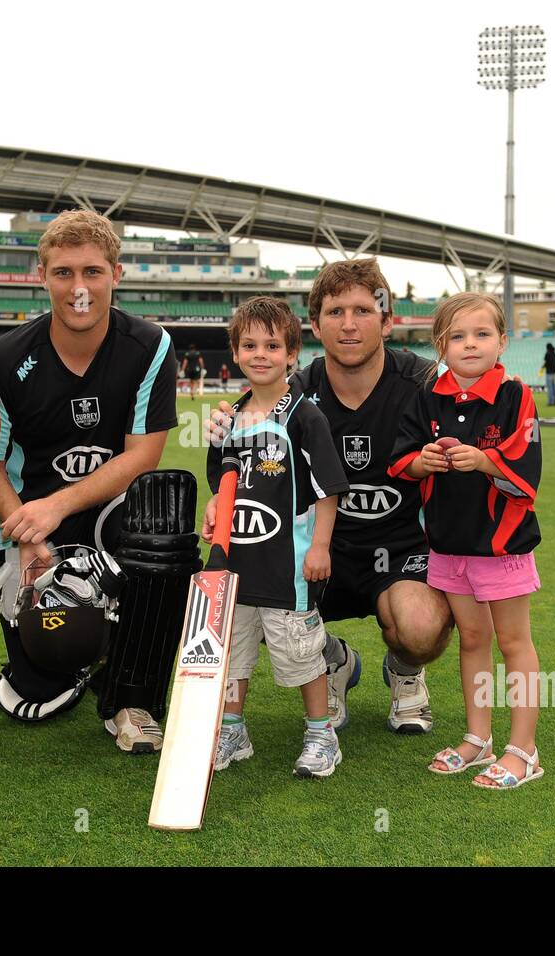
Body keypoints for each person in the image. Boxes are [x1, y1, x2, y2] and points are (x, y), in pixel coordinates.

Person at [208, 260, 455, 735]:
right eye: (335, 311)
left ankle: (405, 672)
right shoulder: (292, 394)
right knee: (254, 603)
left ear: (387, 321)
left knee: (422, 628)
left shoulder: (425, 387)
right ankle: (335, 661)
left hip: (401, 549)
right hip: (317, 551)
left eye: (363, 310)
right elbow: (238, 448)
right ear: (315, 324)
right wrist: (221, 493)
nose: (348, 324)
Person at [0, 209, 179, 752]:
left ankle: (131, 695)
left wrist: (58, 504)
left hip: (114, 522)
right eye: (64, 273)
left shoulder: (150, 345)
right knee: (37, 689)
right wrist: (29, 530)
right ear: (41, 276)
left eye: (93, 272)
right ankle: (81, 649)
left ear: (116, 274)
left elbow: (144, 454)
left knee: (168, 526)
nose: (79, 289)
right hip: (29, 531)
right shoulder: (5, 354)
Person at [389, 292, 545, 790]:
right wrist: (423, 461)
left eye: (482, 334)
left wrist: (483, 460)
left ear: (502, 340)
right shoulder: (427, 396)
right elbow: (402, 460)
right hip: (448, 545)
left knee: (514, 643)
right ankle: (479, 739)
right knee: (472, 641)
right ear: (440, 344)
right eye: (457, 336)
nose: (470, 344)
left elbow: (525, 468)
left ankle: (524, 751)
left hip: (502, 546)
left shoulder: (515, 395)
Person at [203, 297, 349, 778]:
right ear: (236, 351)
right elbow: (221, 482)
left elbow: (328, 487)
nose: (260, 353)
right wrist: (213, 508)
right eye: (249, 345)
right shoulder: (229, 417)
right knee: (234, 654)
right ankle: (231, 728)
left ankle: (320, 733)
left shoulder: (305, 417)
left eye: (272, 345)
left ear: (292, 353)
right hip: (235, 565)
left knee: (302, 657)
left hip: (289, 567)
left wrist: (322, 547)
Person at [543, 342, 555, 407]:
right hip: (554, 373)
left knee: (550, 388)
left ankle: (551, 402)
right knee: (553, 387)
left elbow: (546, 362)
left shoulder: (547, 353)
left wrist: (543, 366)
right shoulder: (554, 353)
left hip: (549, 372)